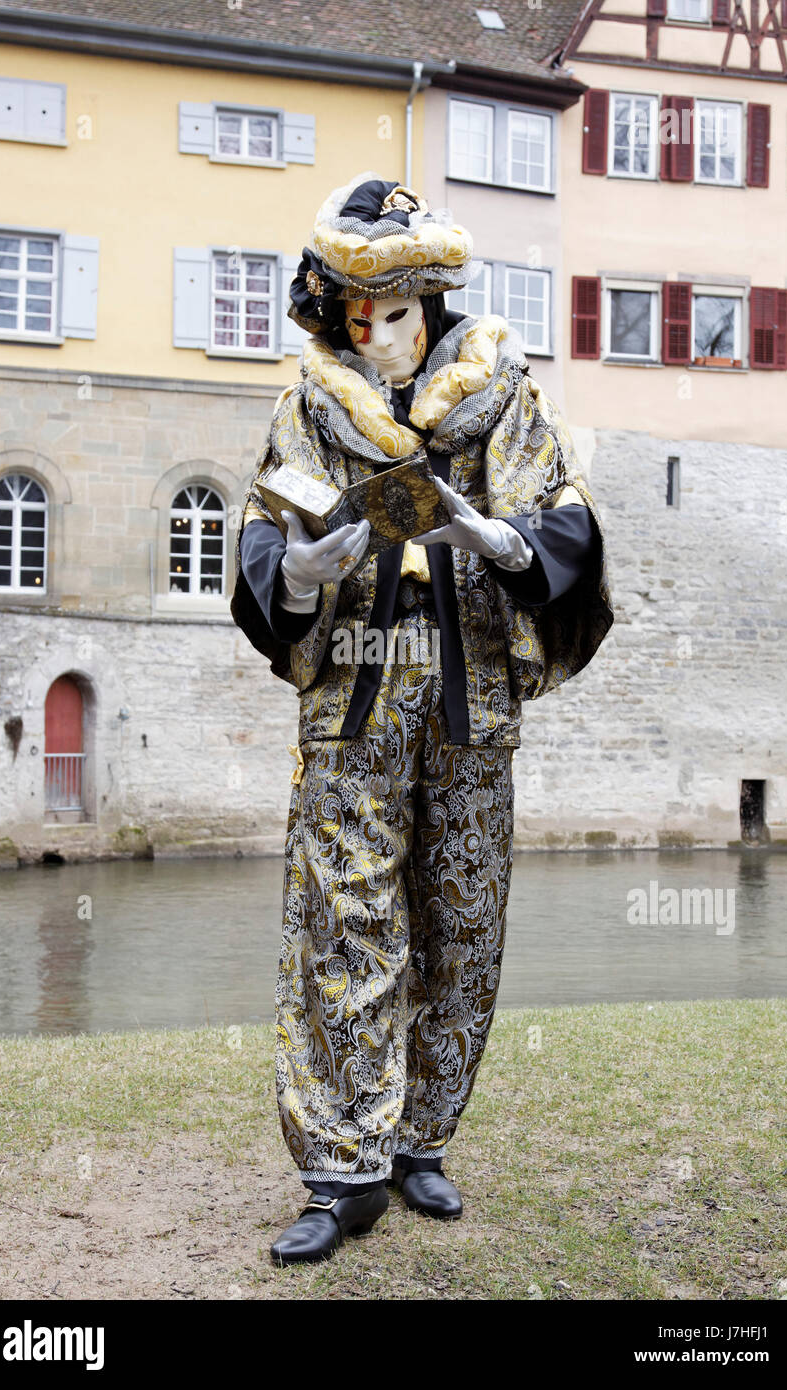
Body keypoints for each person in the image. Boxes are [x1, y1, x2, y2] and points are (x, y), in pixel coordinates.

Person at [230, 172, 614, 1266]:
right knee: (343, 924)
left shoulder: (500, 396)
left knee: (460, 923)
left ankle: (416, 1140)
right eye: (357, 314)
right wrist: (299, 571)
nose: (375, 333)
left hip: (468, 701)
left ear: (428, 306)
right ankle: (338, 1170)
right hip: (350, 708)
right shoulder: (307, 405)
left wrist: (496, 543)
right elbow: (264, 532)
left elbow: (567, 520)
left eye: (391, 312)